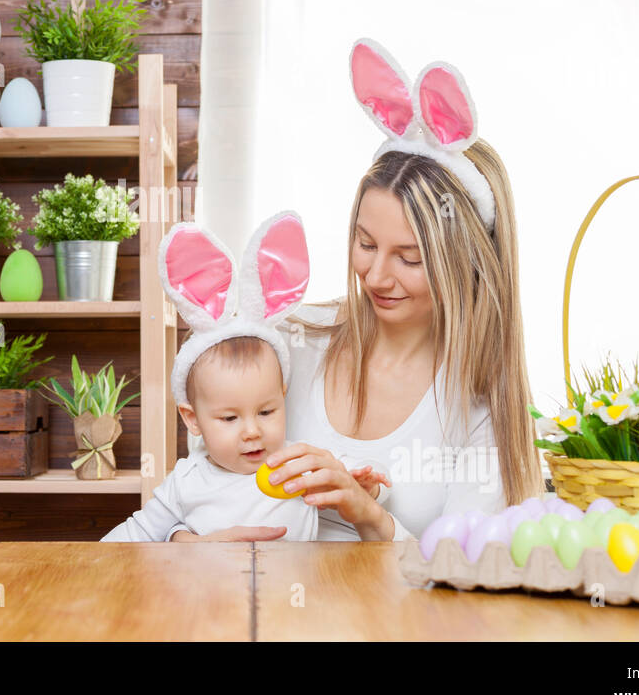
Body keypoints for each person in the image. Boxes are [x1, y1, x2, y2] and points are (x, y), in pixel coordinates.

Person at [168, 38, 543, 543]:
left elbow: (463, 589)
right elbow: (192, 493)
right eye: (365, 244)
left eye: (410, 258)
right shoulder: (290, 344)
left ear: (466, 265)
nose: (376, 276)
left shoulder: (480, 403)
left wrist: (371, 518)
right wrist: (187, 545)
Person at [101, 211, 388, 542]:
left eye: (266, 412)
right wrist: (89, 566)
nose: (252, 431)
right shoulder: (187, 480)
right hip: (214, 593)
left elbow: (351, 480)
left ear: (283, 395)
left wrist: (367, 486)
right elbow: (135, 535)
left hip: (292, 592)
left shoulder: (296, 463)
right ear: (192, 419)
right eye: (229, 418)